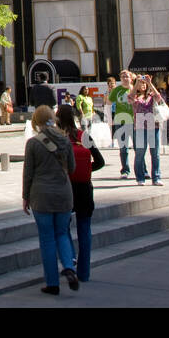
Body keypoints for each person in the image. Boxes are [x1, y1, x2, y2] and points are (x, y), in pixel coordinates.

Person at [21, 104, 80, 295]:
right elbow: (71, 168)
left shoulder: (33, 143)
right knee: (62, 233)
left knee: (46, 239)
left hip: (41, 195)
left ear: (35, 122)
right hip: (63, 193)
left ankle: (52, 283)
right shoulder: (65, 139)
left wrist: (25, 197)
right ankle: (69, 267)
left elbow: (28, 173)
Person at [56, 103, 102, 283]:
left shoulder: (59, 138)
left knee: (63, 227)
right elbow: (100, 161)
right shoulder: (84, 136)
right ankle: (84, 273)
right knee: (85, 230)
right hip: (84, 188)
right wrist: (86, 170)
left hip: (65, 187)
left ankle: (70, 258)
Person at [130, 75, 165, 186]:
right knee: (140, 153)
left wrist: (150, 83)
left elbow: (159, 98)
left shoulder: (151, 96)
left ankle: (156, 177)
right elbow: (130, 97)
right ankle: (140, 177)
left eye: (144, 83)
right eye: (141, 83)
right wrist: (136, 84)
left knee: (155, 153)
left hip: (153, 126)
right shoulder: (135, 97)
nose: (143, 85)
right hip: (140, 128)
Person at [109, 71, 134, 178]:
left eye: (126, 76)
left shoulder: (134, 88)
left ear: (131, 78)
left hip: (134, 121)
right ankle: (125, 170)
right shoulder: (117, 90)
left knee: (139, 147)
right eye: (122, 76)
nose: (124, 78)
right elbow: (109, 103)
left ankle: (142, 170)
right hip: (120, 121)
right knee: (123, 148)